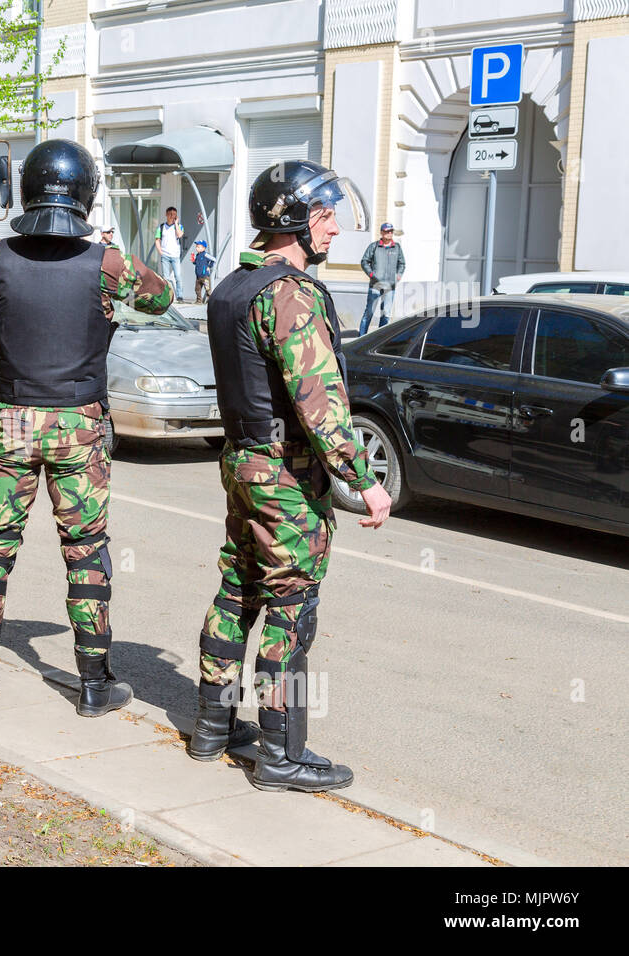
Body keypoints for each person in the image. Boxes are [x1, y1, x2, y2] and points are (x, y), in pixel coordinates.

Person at [0, 139, 174, 714]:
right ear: (85, 193)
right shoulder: (106, 263)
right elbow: (161, 298)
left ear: (28, 189)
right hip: (78, 422)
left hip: (12, 419)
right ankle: (95, 685)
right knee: (85, 549)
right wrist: (115, 254)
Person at [193, 159, 391, 792]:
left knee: (238, 589)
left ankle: (212, 726)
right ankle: (280, 753)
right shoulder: (290, 293)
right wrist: (362, 480)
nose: (334, 228)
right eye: (326, 215)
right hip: (284, 470)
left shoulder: (231, 286)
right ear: (295, 219)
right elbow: (320, 400)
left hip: (243, 459)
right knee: (291, 603)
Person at [358, 222, 405, 335]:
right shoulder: (374, 246)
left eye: (391, 231)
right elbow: (364, 261)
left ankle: (379, 338)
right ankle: (361, 337)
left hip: (390, 286)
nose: (389, 234)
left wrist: (397, 276)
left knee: (386, 314)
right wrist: (372, 275)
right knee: (369, 313)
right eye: (387, 231)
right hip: (375, 285)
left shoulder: (397, 247)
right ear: (382, 232)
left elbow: (402, 263)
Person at [154, 206, 185, 302]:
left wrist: (176, 223)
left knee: (178, 276)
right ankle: (167, 295)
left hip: (175, 255)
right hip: (165, 255)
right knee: (166, 277)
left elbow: (180, 235)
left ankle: (179, 295)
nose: (172, 216)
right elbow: (157, 240)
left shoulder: (179, 226)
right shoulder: (161, 227)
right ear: (166, 215)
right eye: (170, 214)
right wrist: (160, 251)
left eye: (174, 214)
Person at [190, 239, 215, 304]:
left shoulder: (205, 255)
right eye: (196, 246)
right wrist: (193, 261)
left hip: (205, 276)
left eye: (198, 247)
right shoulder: (198, 255)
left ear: (203, 248)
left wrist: (209, 266)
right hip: (198, 276)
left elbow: (213, 259)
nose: (197, 248)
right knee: (197, 289)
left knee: (207, 289)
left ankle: (210, 300)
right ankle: (199, 301)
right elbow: (196, 263)